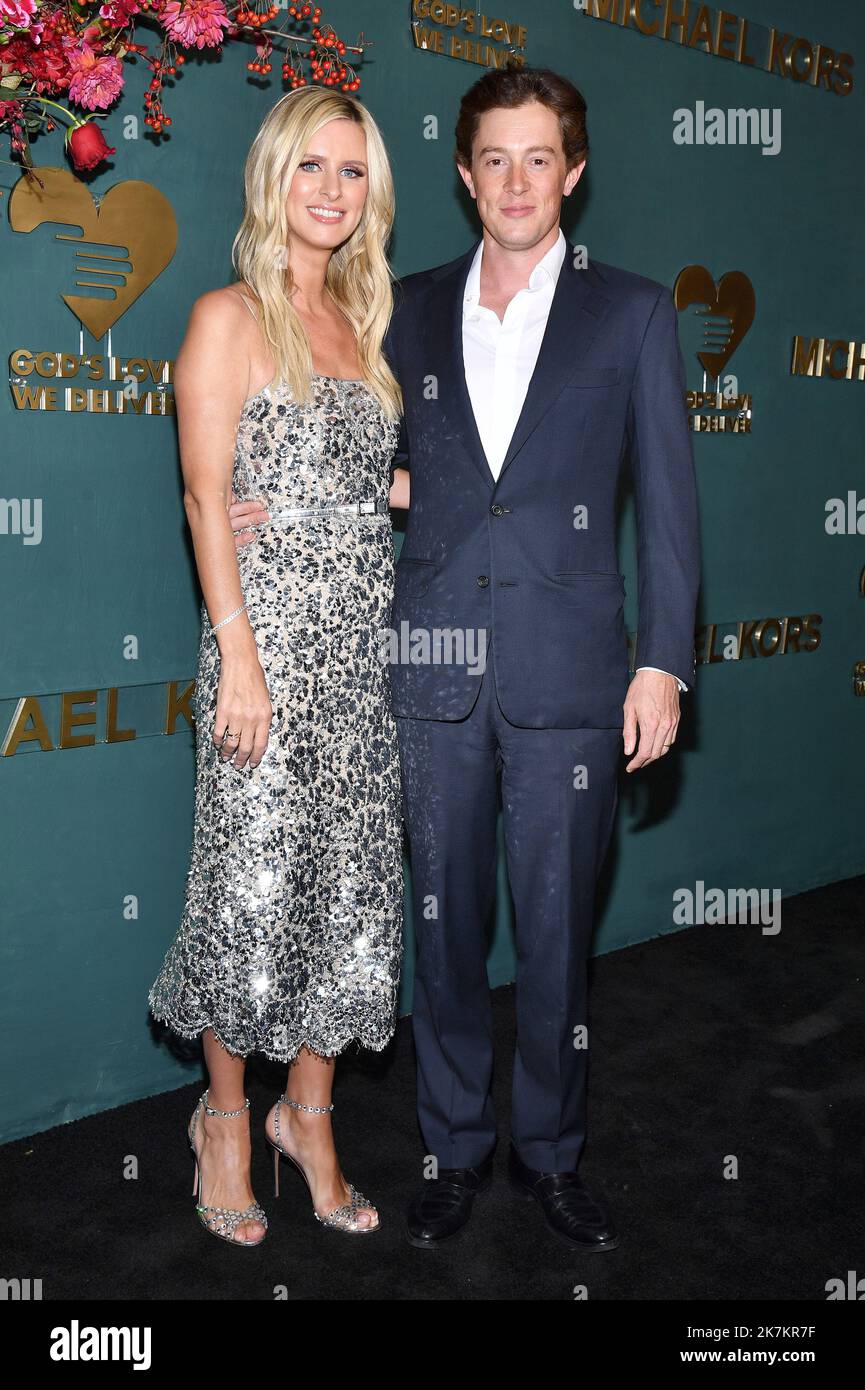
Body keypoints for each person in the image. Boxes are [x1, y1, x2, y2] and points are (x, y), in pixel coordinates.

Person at [230, 64, 701, 1254]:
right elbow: (395, 473)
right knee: (439, 938)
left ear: (573, 174)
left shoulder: (633, 312)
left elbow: (672, 505)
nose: (516, 181)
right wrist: (278, 501)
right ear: (462, 172)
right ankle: (450, 1148)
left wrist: (663, 662)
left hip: (573, 683)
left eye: (539, 157)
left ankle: (548, 1154)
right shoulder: (406, 306)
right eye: (493, 157)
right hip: (427, 673)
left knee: (552, 942)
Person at [148, 86, 410, 1246]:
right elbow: (208, 498)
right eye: (311, 166)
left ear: (373, 195)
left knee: (351, 891)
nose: (330, 191)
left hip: (362, 654)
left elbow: (376, 488)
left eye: (351, 172)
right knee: (249, 893)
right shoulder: (225, 317)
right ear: (272, 178)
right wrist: (239, 658)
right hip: (265, 651)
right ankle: (224, 1119)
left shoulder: (367, 325)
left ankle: (312, 1117)